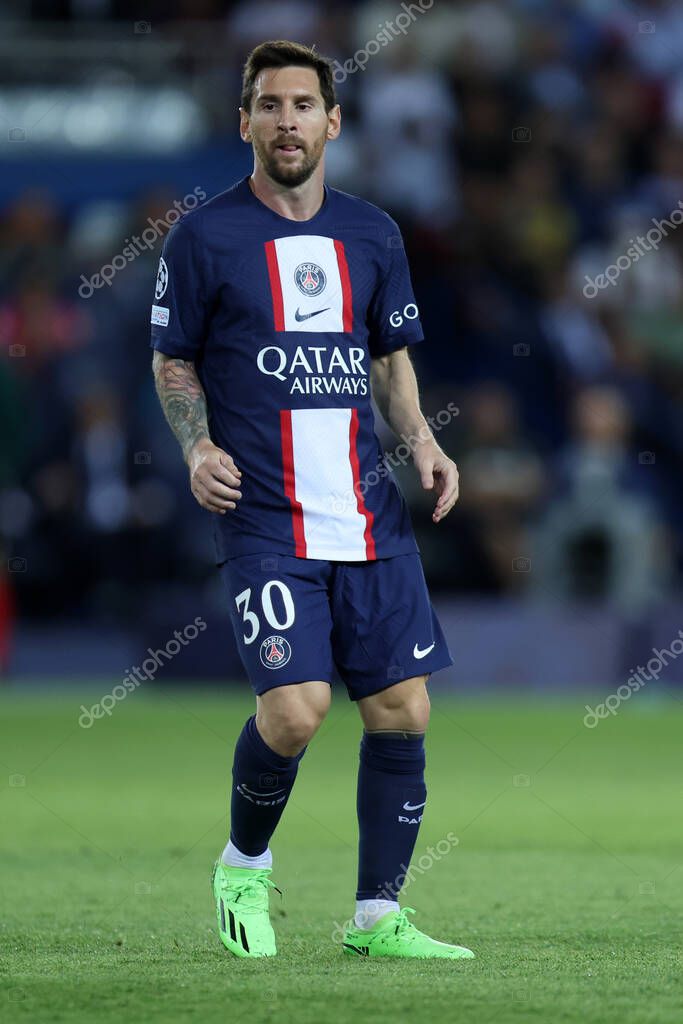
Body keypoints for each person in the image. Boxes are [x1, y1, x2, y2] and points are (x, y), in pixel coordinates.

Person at [150, 39, 472, 962]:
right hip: (263, 514)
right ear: (242, 121)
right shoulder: (204, 235)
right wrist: (195, 442)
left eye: (303, 105)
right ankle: (242, 865)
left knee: (402, 709)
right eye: (268, 105)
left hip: (367, 512)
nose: (285, 120)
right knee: (294, 710)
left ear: (332, 122)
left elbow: (386, 355)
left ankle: (377, 918)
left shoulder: (373, 234)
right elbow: (174, 358)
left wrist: (421, 441)